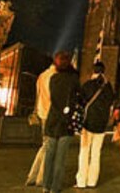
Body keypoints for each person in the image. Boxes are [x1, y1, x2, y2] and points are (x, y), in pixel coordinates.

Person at [41, 51, 80, 193]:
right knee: (60, 158)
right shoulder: (74, 79)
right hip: (66, 122)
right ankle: (55, 188)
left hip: (52, 121)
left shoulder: (53, 79)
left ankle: (46, 186)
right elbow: (78, 98)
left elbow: (54, 99)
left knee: (49, 157)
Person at [76, 61, 115, 188]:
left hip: (88, 123)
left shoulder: (88, 85)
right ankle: (92, 181)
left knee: (84, 151)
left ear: (93, 71)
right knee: (96, 153)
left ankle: (81, 181)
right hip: (101, 124)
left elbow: (80, 102)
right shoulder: (108, 87)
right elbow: (111, 104)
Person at [26, 56, 57, 186]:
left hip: (41, 112)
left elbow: (38, 95)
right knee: (49, 146)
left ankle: (32, 176)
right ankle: (41, 178)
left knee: (45, 145)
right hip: (51, 114)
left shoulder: (42, 76)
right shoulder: (55, 77)